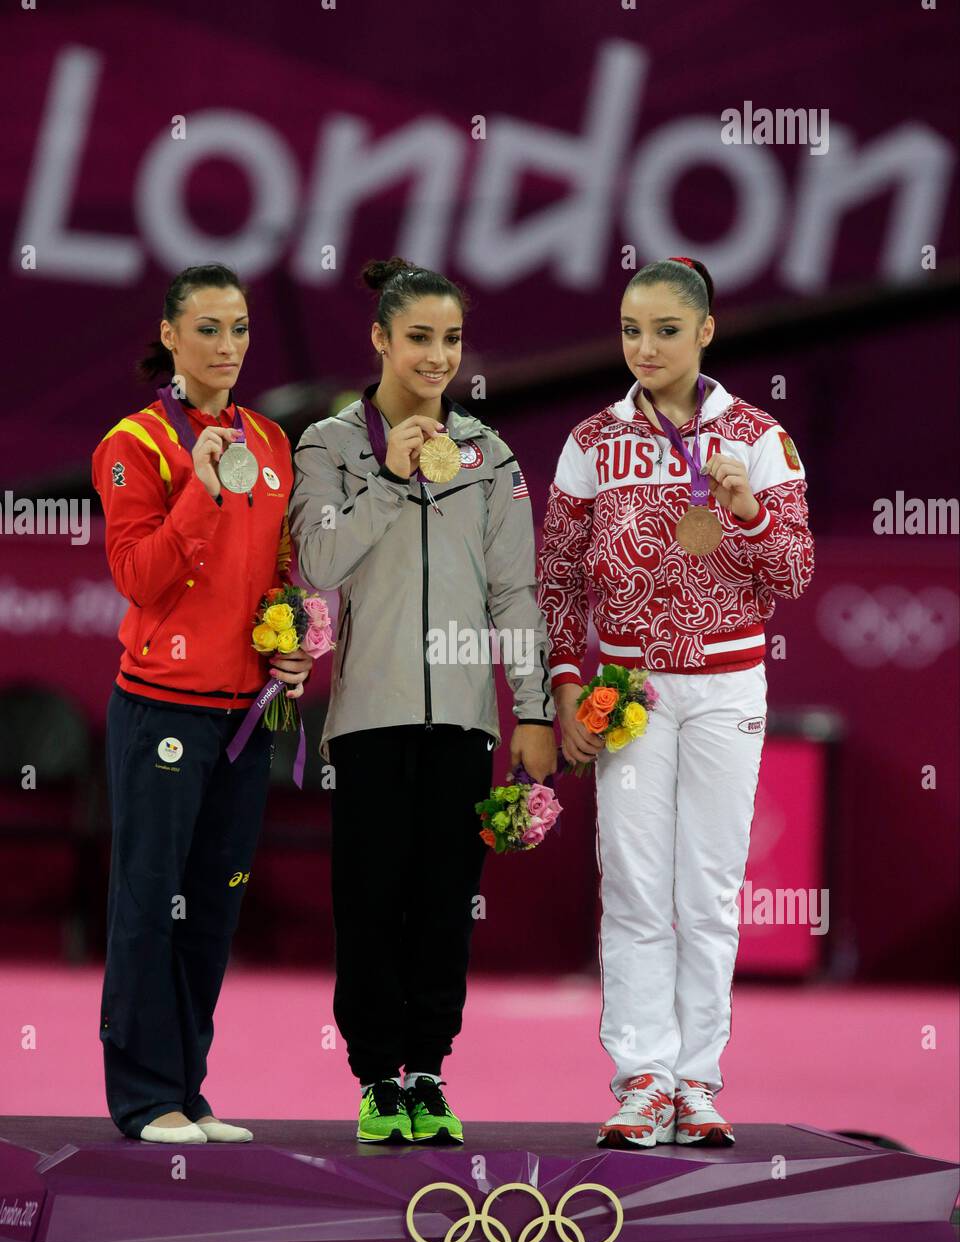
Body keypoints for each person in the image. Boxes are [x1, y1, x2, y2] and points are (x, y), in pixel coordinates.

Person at [536, 256, 814, 1148]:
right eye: (629, 329)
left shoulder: (759, 435)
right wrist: (565, 682)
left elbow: (796, 574)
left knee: (709, 889)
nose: (644, 347)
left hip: (729, 683)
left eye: (664, 329)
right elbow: (555, 582)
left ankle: (698, 1080)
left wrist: (749, 511)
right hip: (628, 691)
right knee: (634, 884)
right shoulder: (590, 442)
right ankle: (642, 1079)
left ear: (705, 331)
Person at [288, 257, 556, 1144]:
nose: (437, 358)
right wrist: (390, 478)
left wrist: (535, 709)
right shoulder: (331, 446)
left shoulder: (489, 454)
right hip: (368, 715)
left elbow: (514, 594)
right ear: (380, 341)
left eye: (450, 340)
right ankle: (375, 1077)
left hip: (466, 723)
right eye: (418, 340)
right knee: (370, 899)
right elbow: (317, 568)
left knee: (447, 899)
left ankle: (429, 1070)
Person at [92, 263, 312, 1143]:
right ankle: (143, 1097)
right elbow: (137, 577)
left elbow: (276, 570)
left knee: (213, 904)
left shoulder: (270, 437)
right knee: (151, 900)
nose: (229, 347)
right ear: (172, 335)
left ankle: (187, 1088)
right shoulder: (134, 443)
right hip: (163, 709)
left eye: (241, 328)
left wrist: (290, 639)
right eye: (210, 330)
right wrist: (200, 490)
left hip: (245, 714)